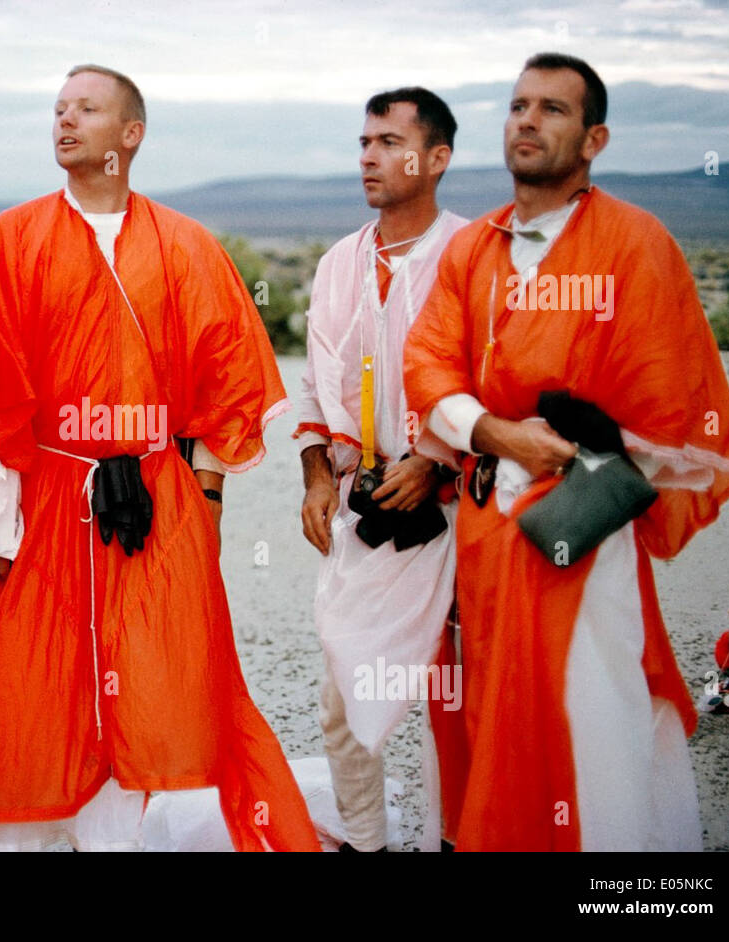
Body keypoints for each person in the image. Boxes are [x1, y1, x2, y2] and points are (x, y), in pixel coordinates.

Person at [0, 64, 320, 852]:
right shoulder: (9, 242)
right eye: (57, 109)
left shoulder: (186, 246)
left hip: (157, 491)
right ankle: (26, 833)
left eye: (86, 108)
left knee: (156, 673)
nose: (65, 121)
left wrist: (207, 506)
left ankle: (121, 835)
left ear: (131, 135)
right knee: (38, 677)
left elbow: (225, 388)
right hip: (47, 488)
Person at [403, 53, 729, 851]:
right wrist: (495, 433)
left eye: (552, 110)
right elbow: (426, 362)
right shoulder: (473, 249)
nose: (528, 120)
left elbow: (672, 398)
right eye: (519, 105)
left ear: (593, 137)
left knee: (594, 708)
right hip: (489, 530)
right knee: (502, 709)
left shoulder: (635, 242)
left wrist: (587, 436)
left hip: (582, 527)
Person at [296, 88, 467, 852]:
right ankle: (365, 840)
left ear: (436, 159)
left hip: (460, 507)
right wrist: (316, 476)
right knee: (344, 687)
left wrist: (437, 461)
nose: (368, 156)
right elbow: (313, 384)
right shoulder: (340, 263)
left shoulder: (475, 253)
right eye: (363, 141)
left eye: (388, 141)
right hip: (364, 507)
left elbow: (501, 386)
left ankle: (459, 836)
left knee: (453, 693)